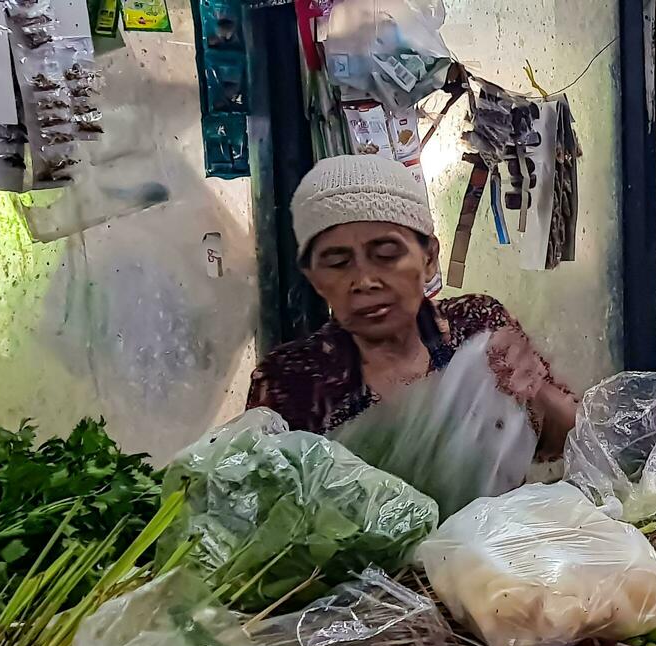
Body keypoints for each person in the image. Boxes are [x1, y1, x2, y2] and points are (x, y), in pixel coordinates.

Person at [247, 153, 577, 459]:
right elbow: (264, 498)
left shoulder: (478, 325)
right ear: (316, 279)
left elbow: (567, 441)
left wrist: (535, 392)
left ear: (429, 258)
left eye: (387, 254)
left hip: (494, 523)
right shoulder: (291, 378)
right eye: (337, 262)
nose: (364, 281)